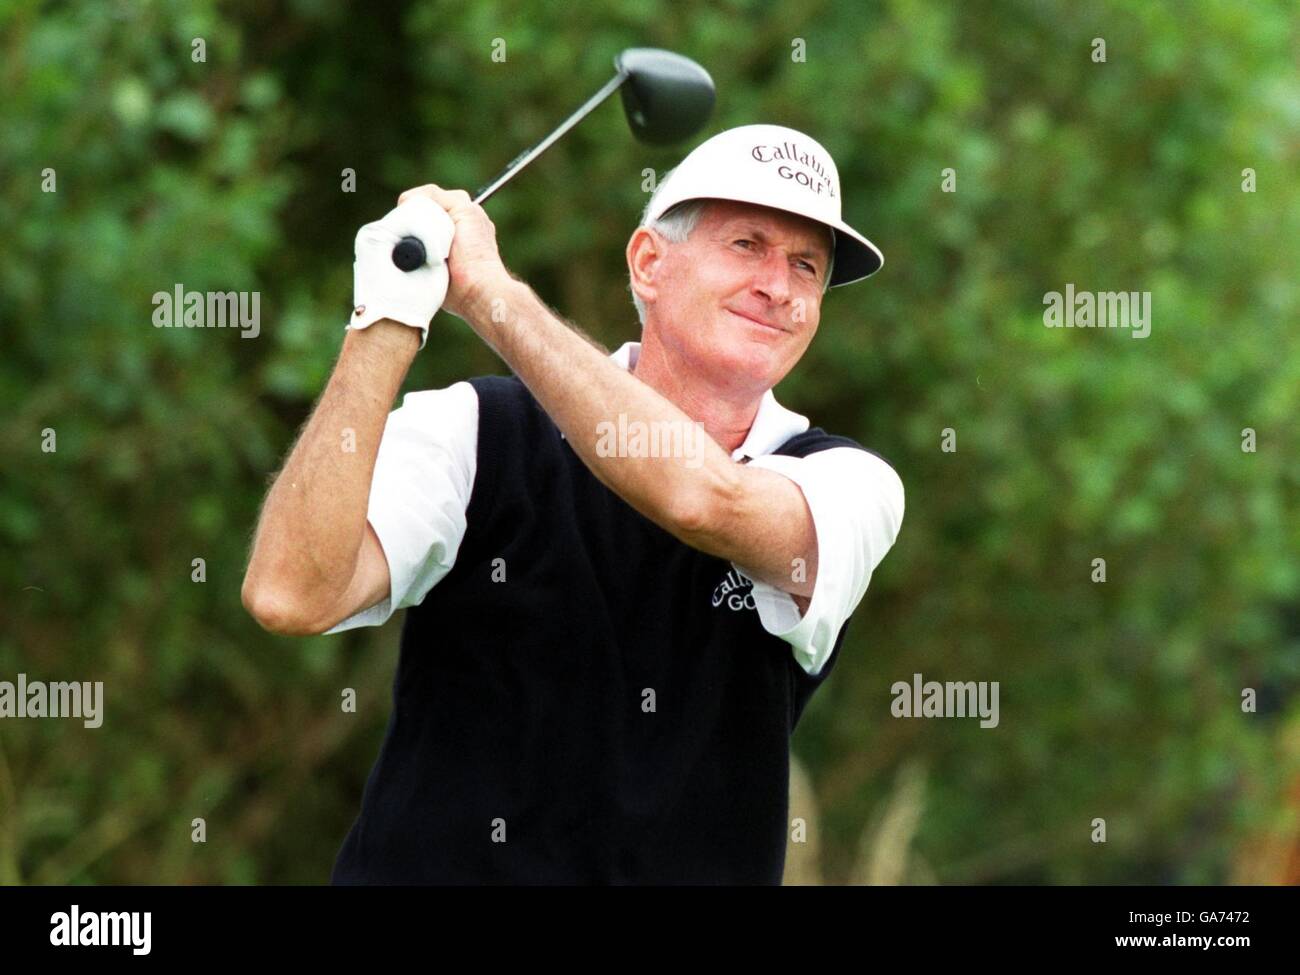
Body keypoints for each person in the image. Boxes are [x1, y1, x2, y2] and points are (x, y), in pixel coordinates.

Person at [241, 123, 905, 884]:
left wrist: (490, 296)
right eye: (747, 245)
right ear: (649, 263)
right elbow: (289, 590)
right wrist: (385, 319)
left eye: (807, 266)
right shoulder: (475, 430)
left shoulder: (846, 485)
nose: (779, 286)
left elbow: (699, 500)